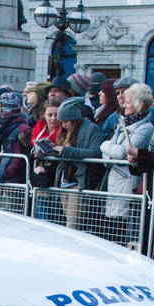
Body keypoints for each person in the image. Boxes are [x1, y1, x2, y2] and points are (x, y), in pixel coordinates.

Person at [99, 82, 153, 238]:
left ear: (140, 104)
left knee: (121, 227)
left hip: (127, 180)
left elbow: (123, 152)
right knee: (109, 225)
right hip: (113, 179)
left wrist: (105, 146)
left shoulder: (145, 128)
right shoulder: (122, 123)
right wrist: (110, 149)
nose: (125, 105)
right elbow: (109, 154)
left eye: (129, 102)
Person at [47, 96, 103, 228]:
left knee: (72, 226)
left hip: (78, 184)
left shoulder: (92, 129)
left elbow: (95, 153)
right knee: (69, 224)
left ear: (74, 120)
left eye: (66, 121)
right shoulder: (67, 132)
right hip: (64, 181)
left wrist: (67, 151)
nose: (64, 125)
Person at [0, 90, 31, 184]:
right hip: (4, 179)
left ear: (8, 110)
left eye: (1, 110)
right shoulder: (5, 128)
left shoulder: (22, 129)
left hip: (14, 182)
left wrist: (6, 174)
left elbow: (18, 157)